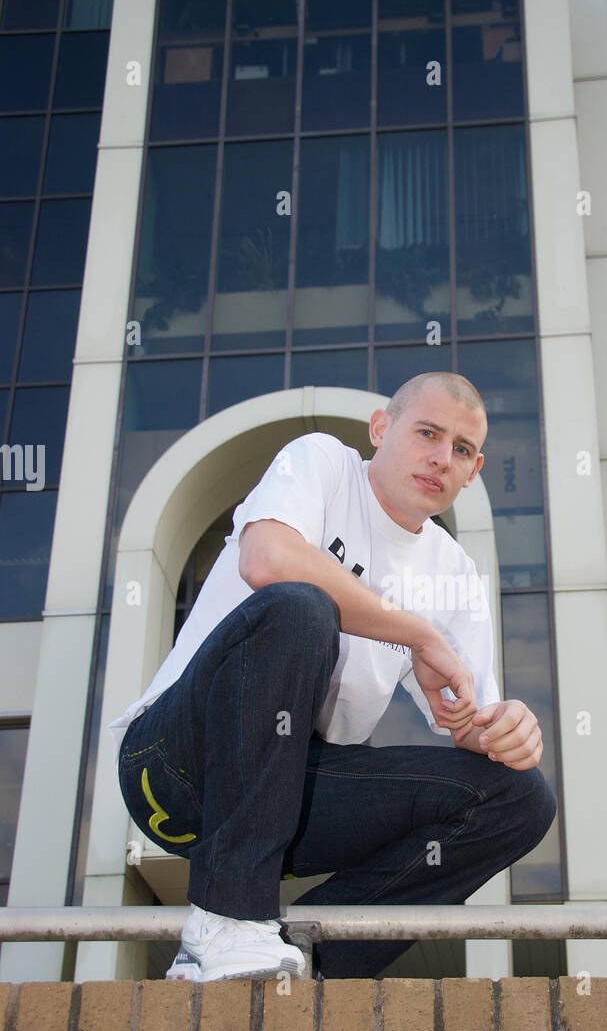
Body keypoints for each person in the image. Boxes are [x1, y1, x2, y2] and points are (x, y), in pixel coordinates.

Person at [107, 371, 557, 982]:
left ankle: (305, 967)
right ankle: (227, 921)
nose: (440, 458)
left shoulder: (454, 574)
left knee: (519, 799)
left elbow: (470, 724)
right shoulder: (320, 462)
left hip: (292, 793)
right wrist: (417, 632)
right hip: (179, 768)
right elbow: (267, 557)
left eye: (461, 450)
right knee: (300, 606)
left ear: (473, 471)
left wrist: (508, 731)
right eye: (427, 432)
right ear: (381, 429)